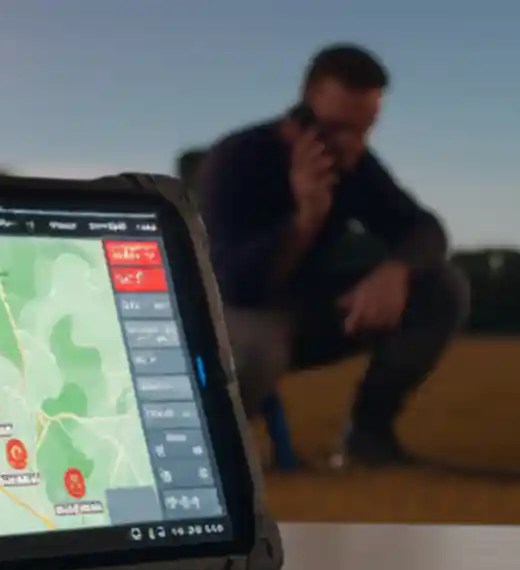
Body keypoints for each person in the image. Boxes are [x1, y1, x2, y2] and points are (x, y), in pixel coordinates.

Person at [197, 44, 469, 466]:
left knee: (441, 288)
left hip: (308, 311)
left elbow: (425, 228)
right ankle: (208, 457)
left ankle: (368, 437)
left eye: (365, 130)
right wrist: (305, 220)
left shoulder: (355, 165)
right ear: (301, 118)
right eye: (339, 128)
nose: (354, 145)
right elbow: (232, 282)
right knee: (258, 350)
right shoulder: (237, 159)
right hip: (232, 315)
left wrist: (394, 270)